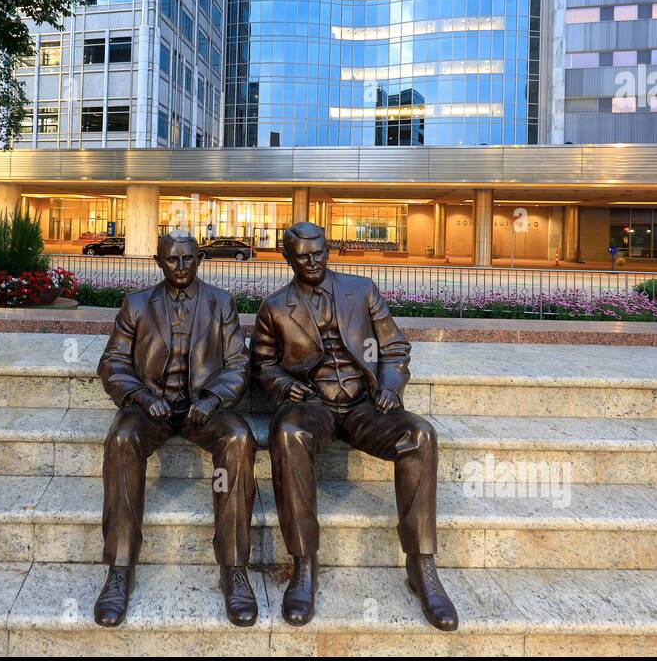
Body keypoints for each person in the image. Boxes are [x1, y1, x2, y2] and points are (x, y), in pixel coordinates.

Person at [251, 222, 458, 631]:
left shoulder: (361, 290)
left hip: (366, 404)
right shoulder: (275, 307)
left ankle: (422, 567)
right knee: (288, 433)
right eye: (302, 256)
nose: (313, 263)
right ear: (287, 258)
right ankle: (303, 564)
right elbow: (262, 362)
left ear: (329, 250)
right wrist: (285, 385)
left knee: (420, 434)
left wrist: (390, 388)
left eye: (319, 253)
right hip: (313, 405)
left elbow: (394, 347)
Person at [94, 230, 258, 627]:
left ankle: (234, 568)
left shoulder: (221, 302)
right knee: (121, 439)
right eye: (172, 260)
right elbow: (112, 362)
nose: (181, 267)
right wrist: (141, 397)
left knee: (238, 438)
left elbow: (239, 363)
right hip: (151, 405)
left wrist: (214, 398)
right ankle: (120, 568)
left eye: (188, 259)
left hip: (205, 408)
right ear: (158, 261)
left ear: (199, 259)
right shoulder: (136, 305)